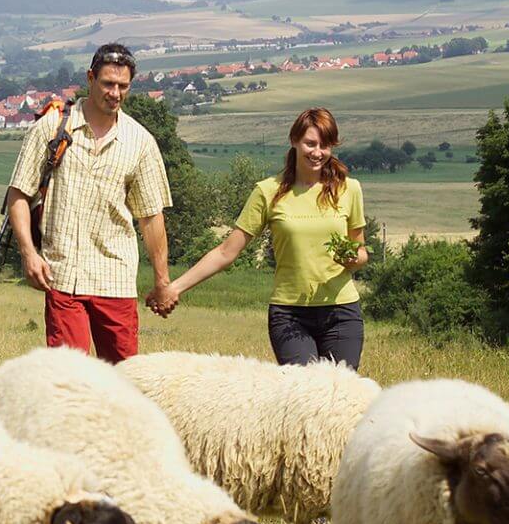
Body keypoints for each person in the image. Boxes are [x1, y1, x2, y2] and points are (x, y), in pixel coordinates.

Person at [148, 108, 369, 368]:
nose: (317, 152)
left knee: (339, 397)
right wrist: (174, 288)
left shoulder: (349, 189)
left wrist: (354, 258)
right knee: (301, 394)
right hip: (290, 315)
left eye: (325, 145)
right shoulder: (268, 192)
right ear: (294, 141)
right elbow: (225, 252)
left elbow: (361, 251)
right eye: (310, 143)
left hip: (341, 312)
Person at [4, 43, 171, 364]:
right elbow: (19, 194)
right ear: (90, 78)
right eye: (108, 83)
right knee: (69, 379)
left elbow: (151, 217)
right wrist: (28, 253)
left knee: (125, 380)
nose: (115, 93)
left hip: (117, 280)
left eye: (123, 86)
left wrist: (161, 282)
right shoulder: (51, 128)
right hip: (64, 276)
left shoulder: (140, 142)